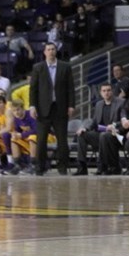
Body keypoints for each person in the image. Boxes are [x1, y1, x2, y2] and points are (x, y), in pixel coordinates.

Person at [28, 42, 75, 175]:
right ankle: (40, 167)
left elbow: (71, 88)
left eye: (53, 49)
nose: (51, 51)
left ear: (56, 51)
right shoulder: (38, 67)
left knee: (62, 140)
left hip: (60, 108)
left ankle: (62, 167)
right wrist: (32, 106)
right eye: (48, 49)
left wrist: (71, 105)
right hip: (43, 110)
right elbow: (33, 89)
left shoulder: (65, 67)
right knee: (41, 140)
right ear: (44, 52)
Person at [73, 82, 124, 176]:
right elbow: (94, 123)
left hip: (115, 134)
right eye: (104, 91)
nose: (106, 93)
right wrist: (85, 128)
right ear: (100, 93)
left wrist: (114, 125)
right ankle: (82, 167)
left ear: (112, 91)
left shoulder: (120, 102)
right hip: (101, 134)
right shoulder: (99, 104)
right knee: (82, 135)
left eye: (108, 90)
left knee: (103, 136)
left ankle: (103, 167)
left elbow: (124, 120)